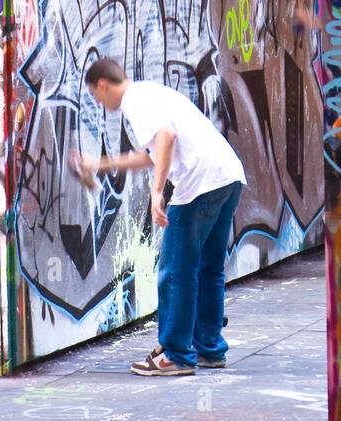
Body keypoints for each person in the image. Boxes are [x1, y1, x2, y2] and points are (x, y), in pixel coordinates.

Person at [69, 58, 246, 376]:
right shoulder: (152, 93)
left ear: (103, 85)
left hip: (198, 184)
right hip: (228, 176)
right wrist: (100, 164)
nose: (100, 103)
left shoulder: (133, 100)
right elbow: (151, 154)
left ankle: (176, 356)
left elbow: (165, 137)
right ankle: (209, 349)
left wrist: (156, 192)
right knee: (208, 270)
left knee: (176, 271)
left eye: (97, 96)